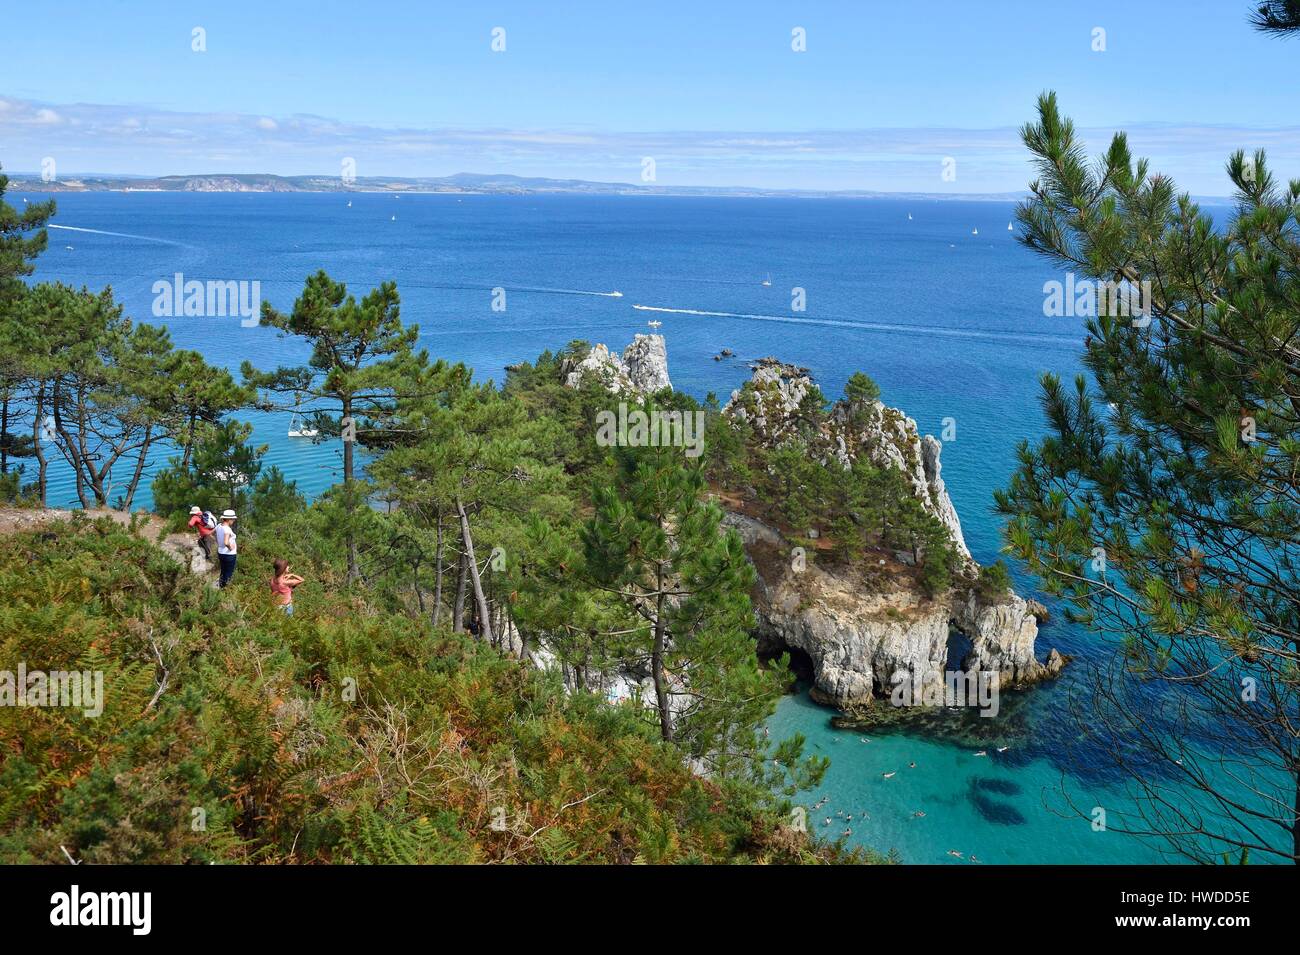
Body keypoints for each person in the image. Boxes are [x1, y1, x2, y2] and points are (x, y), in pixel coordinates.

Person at [214, 509, 238, 588]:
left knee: (223, 571)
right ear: (228, 519)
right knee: (228, 574)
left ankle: (220, 586)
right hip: (229, 555)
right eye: (233, 519)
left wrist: (219, 542)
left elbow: (214, 534)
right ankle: (224, 590)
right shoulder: (227, 529)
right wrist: (231, 547)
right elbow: (226, 542)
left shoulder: (219, 526)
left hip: (221, 552)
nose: (234, 520)